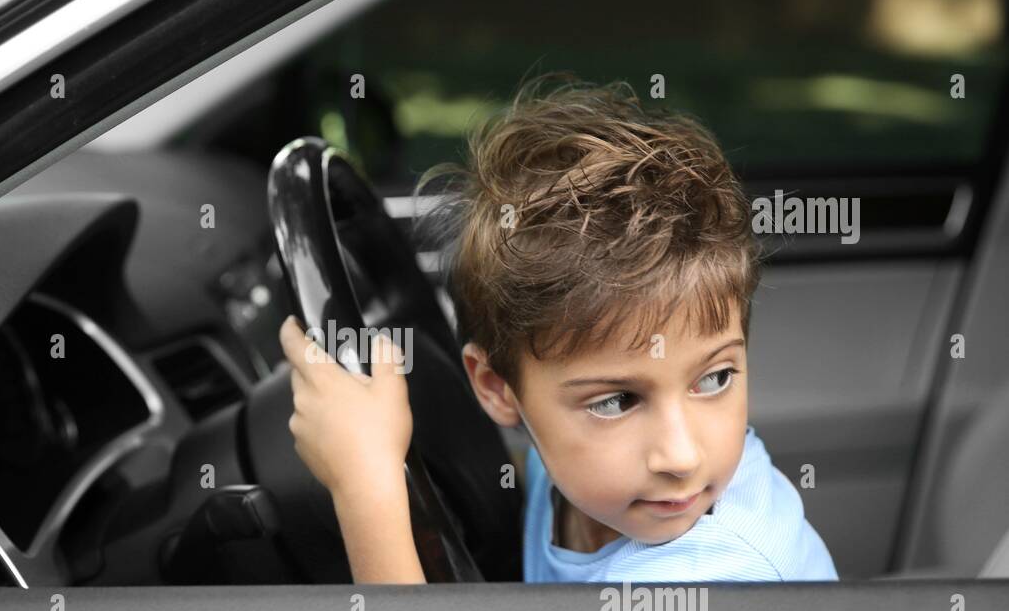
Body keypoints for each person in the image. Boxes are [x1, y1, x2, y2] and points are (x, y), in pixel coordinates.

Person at [278, 72, 838, 584]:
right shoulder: (585, 482)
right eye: (617, 402)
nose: (682, 455)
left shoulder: (709, 576)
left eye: (714, 379)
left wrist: (366, 482)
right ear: (498, 388)